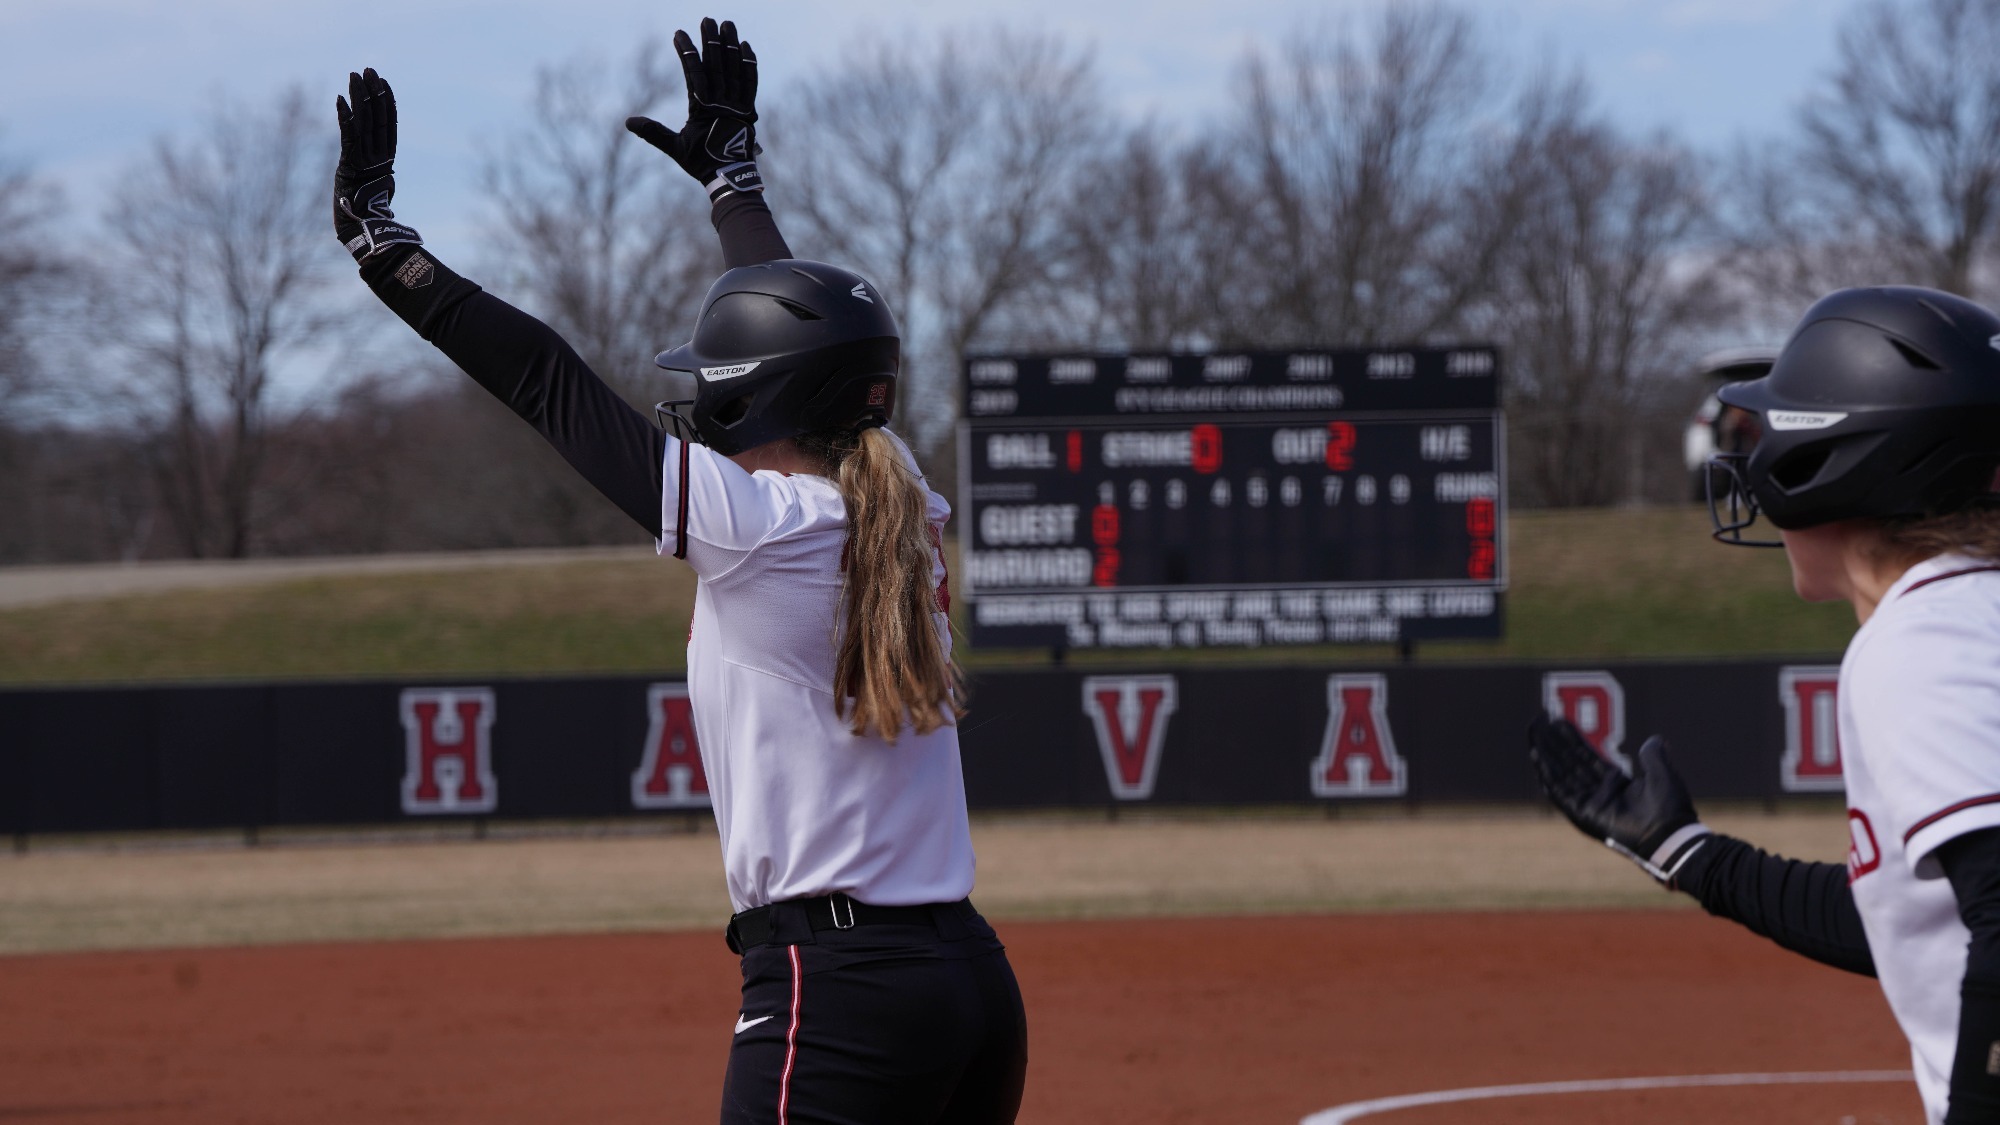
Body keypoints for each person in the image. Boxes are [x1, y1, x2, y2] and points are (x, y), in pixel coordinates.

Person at [333, 20, 1027, 1124]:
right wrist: (733, 178)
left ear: (754, 396)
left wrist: (391, 257)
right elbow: (806, 328)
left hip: (837, 992)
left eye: (715, 377)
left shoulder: (757, 524)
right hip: (967, 981)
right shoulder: (895, 490)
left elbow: (546, 380)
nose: (697, 394)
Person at [1529, 284, 2000, 1125]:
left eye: (1774, 430)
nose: (1753, 459)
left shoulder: (1923, 640)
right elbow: (1914, 931)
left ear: (1840, 457)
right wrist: (1689, 853)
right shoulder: (1971, 615)